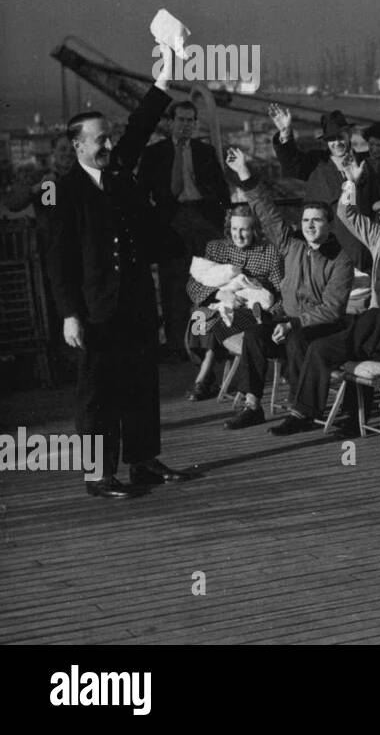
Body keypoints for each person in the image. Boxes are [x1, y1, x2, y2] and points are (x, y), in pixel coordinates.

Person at [46, 55, 193, 498]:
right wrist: (70, 315)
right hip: (95, 311)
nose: (108, 145)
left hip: (134, 302)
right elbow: (58, 262)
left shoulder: (117, 173)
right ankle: (98, 475)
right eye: (99, 140)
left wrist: (163, 80)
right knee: (97, 394)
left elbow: (140, 126)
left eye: (109, 138)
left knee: (142, 384)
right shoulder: (63, 192)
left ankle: (143, 461)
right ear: (77, 146)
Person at [269, 183, 380, 435]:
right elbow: (347, 214)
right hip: (371, 325)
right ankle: (347, 417)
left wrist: (364, 331)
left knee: (329, 345)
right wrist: (350, 184)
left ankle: (308, 414)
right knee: (321, 342)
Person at [222, 148, 354, 431]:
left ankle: (300, 413)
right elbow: (267, 213)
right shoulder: (292, 245)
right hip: (289, 322)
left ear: (329, 225)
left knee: (296, 339)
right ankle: (252, 405)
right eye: (305, 220)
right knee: (255, 334)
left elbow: (332, 309)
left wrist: (294, 324)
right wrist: (244, 173)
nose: (309, 226)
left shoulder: (340, 260)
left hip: (323, 329)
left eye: (316, 220)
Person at [139, 99, 231, 361]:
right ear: (170, 123)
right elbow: (141, 193)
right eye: (181, 120)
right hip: (171, 221)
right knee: (174, 284)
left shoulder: (205, 151)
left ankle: (210, 343)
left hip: (202, 218)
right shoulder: (155, 153)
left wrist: (216, 216)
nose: (186, 125)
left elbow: (222, 191)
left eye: (191, 120)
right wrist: (155, 222)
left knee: (210, 281)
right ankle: (179, 346)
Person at [183, 202, 284, 402]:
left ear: (255, 230)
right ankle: (205, 371)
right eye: (234, 229)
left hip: (250, 310)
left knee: (218, 319)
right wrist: (220, 295)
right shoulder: (216, 248)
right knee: (201, 318)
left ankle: (203, 377)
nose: (238, 235)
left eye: (244, 229)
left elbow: (280, 292)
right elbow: (193, 285)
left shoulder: (270, 253)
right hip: (216, 301)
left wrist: (269, 313)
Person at [268, 105, 372, 272]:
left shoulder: (367, 163)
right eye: (331, 139)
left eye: (340, 137)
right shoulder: (316, 163)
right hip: (330, 250)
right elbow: (291, 162)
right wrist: (286, 133)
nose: (336, 143)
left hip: (364, 249)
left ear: (349, 135)